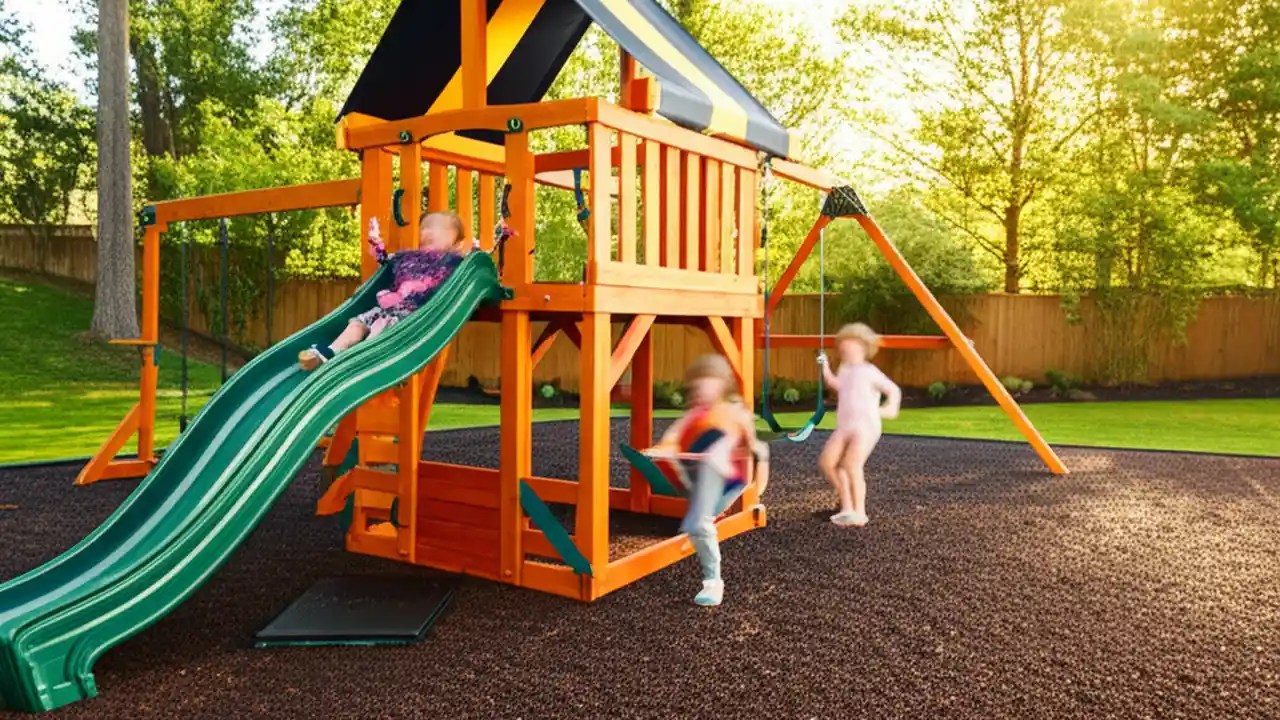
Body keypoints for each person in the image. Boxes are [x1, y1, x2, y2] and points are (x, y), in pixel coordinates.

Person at [646, 354, 768, 607]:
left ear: (722, 386)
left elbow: (745, 440)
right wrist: (661, 450)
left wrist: (749, 454)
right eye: (698, 386)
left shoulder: (731, 412)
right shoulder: (694, 417)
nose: (702, 391)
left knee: (699, 519)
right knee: (696, 523)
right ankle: (696, 524)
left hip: (728, 479)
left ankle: (713, 582)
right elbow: (673, 437)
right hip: (699, 481)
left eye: (708, 385)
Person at [298, 213, 467, 370]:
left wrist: (413, 286)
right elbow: (386, 261)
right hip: (387, 308)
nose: (429, 231)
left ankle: (355, 361)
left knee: (377, 334)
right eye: (426, 226)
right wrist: (376, 244)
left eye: (440, 228)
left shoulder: (451, 263)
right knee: (357, 325)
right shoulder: (408, 257)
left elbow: (451, 274)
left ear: (456, 243)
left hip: (411, 318)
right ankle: (330, 352)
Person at [817, 323, 901, 527]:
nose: (845, 349)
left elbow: (893, 390)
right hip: (846, 425)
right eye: (843, 346)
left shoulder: (869, 371)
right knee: (828, 462)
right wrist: (825, 367)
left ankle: (860, 512)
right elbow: (838, 385)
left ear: (864, 347)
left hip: (866, 425)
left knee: (851, 465)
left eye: (850, 345)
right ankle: (847, 506)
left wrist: (889, 409)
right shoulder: (845, 369)